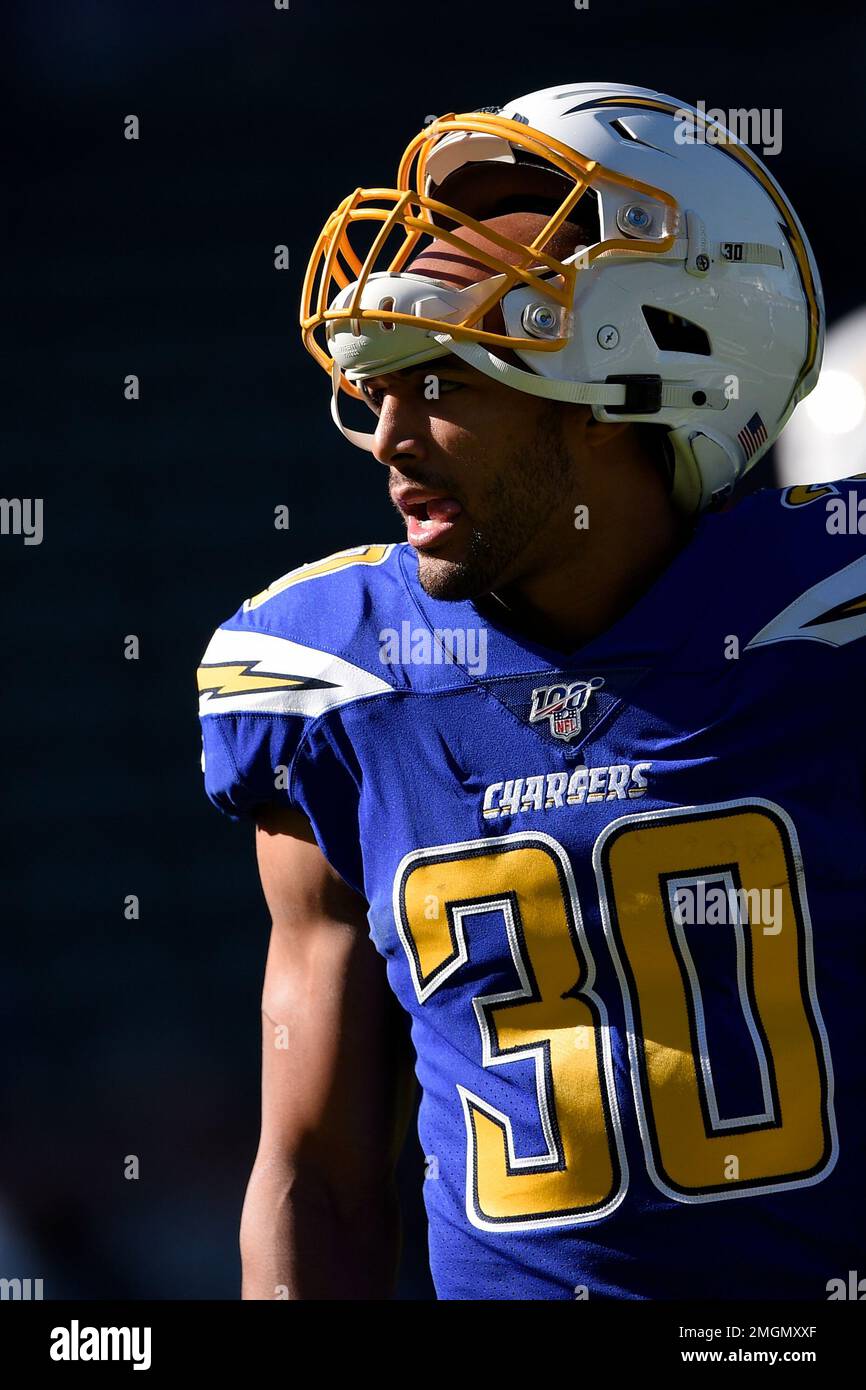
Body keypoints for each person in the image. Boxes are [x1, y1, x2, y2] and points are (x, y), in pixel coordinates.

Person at [197, 82, 865, 1299]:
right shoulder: (332, 684)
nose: (391, 436)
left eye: (448, 375)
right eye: (378, 378)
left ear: (638, 374)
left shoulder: (829, 629)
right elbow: (315, 1176)